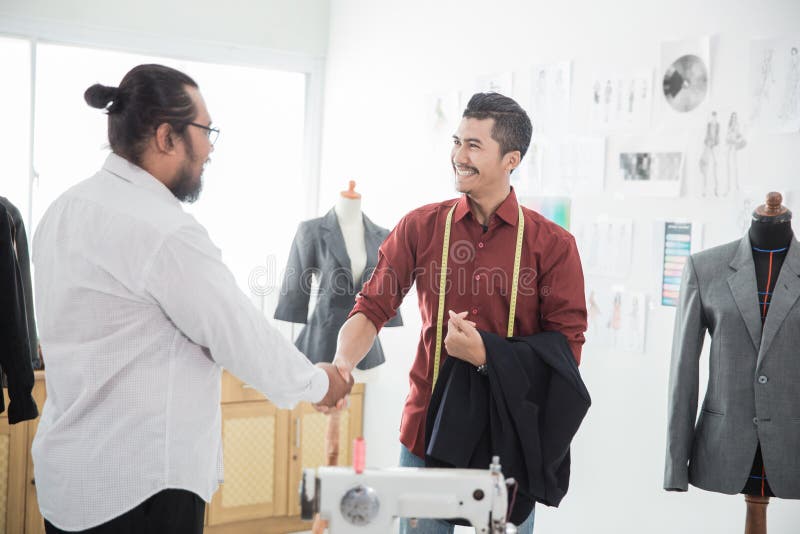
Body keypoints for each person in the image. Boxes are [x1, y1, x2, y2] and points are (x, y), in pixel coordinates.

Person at [31, 64, 352, 534]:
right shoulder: (164, 231)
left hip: (69, 486)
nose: (210, 148)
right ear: (167, 137)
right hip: (141, 489)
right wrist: (321, 384)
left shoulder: (62, 210)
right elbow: (240, 335)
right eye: (205, 131)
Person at [330, 93, 588, 533]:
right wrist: (341, 365)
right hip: (426, 432)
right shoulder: (421, 227)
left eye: (473, 145)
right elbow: (371, 308)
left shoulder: (553, 246)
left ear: (511, 159)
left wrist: (488, 355)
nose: (458, 156)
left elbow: (566, 354)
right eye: (456, 142)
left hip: (510, 439)